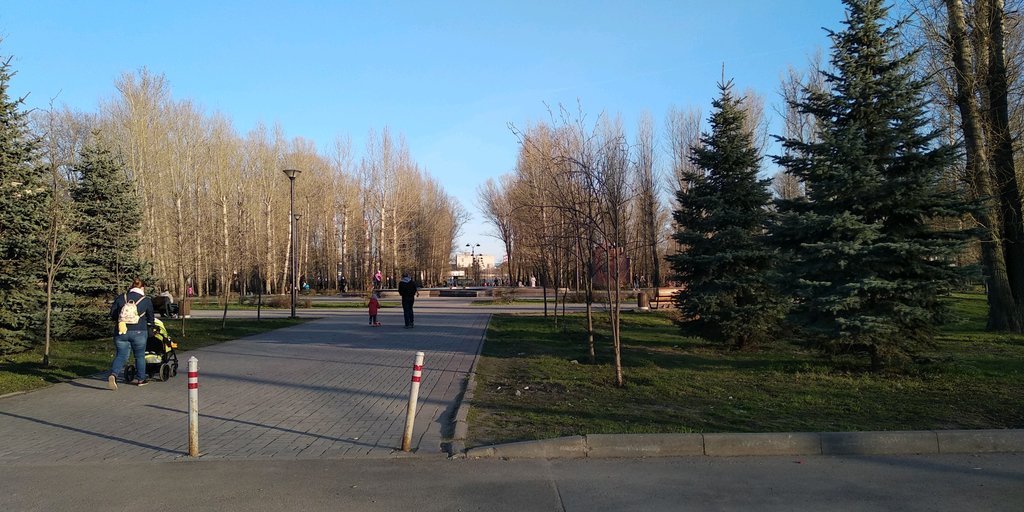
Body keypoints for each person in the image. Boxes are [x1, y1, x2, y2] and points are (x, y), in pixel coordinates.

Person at [107, 277, 155, 389]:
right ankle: (141, 379)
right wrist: (151, 327)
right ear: (142, 287)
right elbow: (150, 317)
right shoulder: (146, 300)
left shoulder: (121, 298)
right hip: (139, 331)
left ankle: (113, 374)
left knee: (121, 355)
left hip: (121, 331)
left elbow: (113, 314)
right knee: (139, 356)